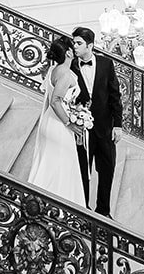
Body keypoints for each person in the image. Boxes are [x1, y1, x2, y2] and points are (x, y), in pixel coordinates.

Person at [71, 26, 122, 219]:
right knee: (83, 170)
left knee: (107, 169)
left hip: (105, 128)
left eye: (79, 43)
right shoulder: (70, 66)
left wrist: (118, 125)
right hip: (81, 129)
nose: (74, 46)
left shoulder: (106, 64)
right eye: (74, 42)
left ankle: (104, 211)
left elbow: (115, 96)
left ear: (90, 45)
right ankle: (84, 210)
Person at [28, 36, 87, 205]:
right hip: (58, 125)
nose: (75, 48)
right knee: (61, 166)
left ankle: (39, 203)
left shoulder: (54, 70)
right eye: (73, 46)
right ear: (68, 53)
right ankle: (56, 206)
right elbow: (55, 100)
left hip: (51, 120)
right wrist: (69, 122)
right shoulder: (66, 75)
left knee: (49, 163)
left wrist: (79, 112)